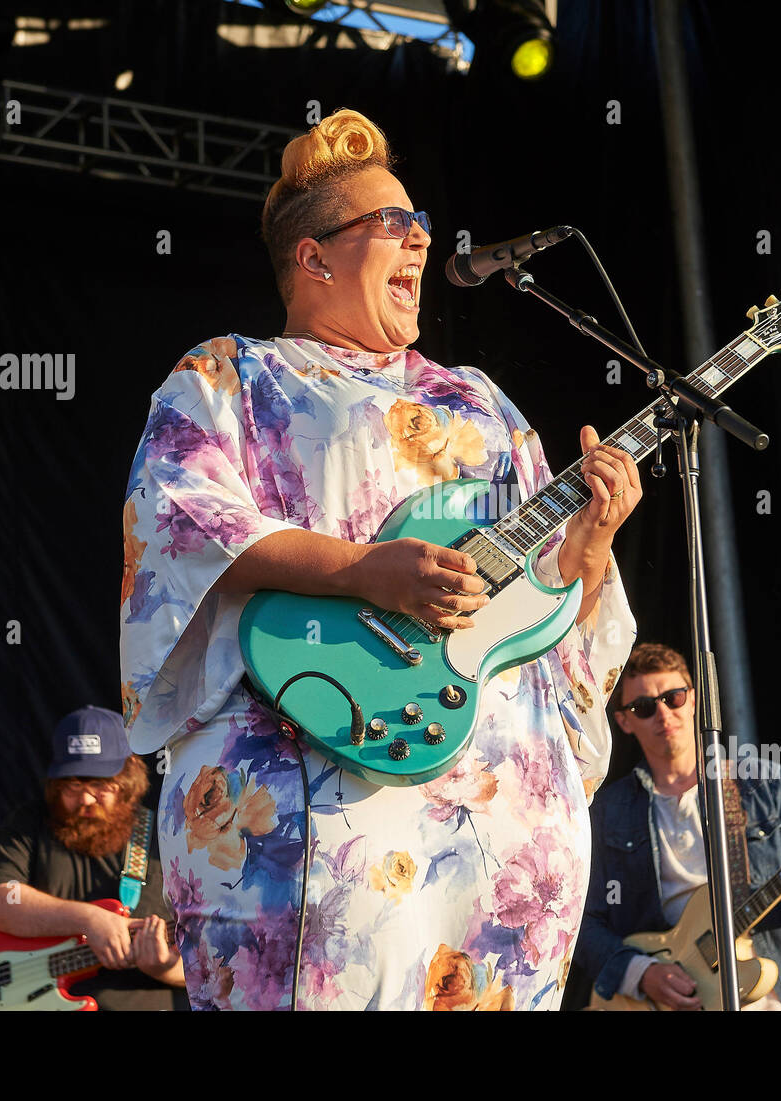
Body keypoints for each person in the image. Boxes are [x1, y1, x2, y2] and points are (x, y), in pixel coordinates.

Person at [119, 108, 638, 1010]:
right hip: (311, 793)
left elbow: (547, 613)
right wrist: (365, 570)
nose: (422, 241)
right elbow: (182, 522)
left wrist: (587, 548)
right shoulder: (230, 375)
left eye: (422, 224)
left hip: (497, 814)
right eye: (394, 224)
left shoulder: (479, 401)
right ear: (316, 257)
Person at [574, 643, 781, 1010]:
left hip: (776, 996)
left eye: (673, 697)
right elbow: (581, 923)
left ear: (694, 699)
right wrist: (641, 973)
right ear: (623, 720)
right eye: (644, 707)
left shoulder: (761, 782)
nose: (663, 714)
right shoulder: (607, 811)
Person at [0, 706, 187, 1011]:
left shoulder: (166, 833)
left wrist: (165, 968)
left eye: (100, 786)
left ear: (127, 779)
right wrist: (90, 918)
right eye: (73, 786)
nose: (86, 799)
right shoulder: (31, 824)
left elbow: (210, 959)